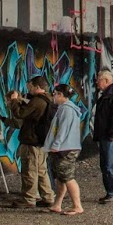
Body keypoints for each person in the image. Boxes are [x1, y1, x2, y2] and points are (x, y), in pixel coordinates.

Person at [5, 76, 55, 209]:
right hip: (41, 141)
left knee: (29, 170)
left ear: (37, 87)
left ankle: (29, 198)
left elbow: (20, 114)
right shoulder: (48, 99)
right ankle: (48, 196)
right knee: (42, 171)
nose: (29, 90)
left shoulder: (37, 101)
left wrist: (15, 100)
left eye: (31, 87)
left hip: (31, 141)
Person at [42, 83, 85, 216]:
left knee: (67, 177)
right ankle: (57, 204)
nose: (53, 96)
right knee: (60, 178)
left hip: (64, 148)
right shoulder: (67, 108)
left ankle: (77, 206)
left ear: (61, 95)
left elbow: (62, 129)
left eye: (55, 94)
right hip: (67, 146)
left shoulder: (66, 109)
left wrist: (55, 145)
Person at [92, 69, 113, 204]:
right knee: (106, 164)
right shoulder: (108, 95)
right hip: (105, 135)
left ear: (106, 80)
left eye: (98, 80)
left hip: (110, 136)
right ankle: (110, 192)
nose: (96, 82)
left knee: (111, 164)